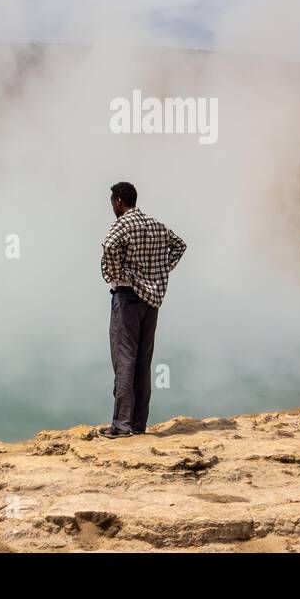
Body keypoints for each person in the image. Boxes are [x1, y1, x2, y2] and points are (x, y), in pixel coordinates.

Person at [97, 181, 186, 439]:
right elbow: (179, 245)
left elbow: (109, 246)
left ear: (118, 202)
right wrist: (160, 271)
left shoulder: (123, 224)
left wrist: (115, 273)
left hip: (127, 297)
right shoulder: (155, 224)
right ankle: (138, 424)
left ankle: (121, 426)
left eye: (113, 202)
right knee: (143, 362)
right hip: (152, 301)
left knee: (124, 360)